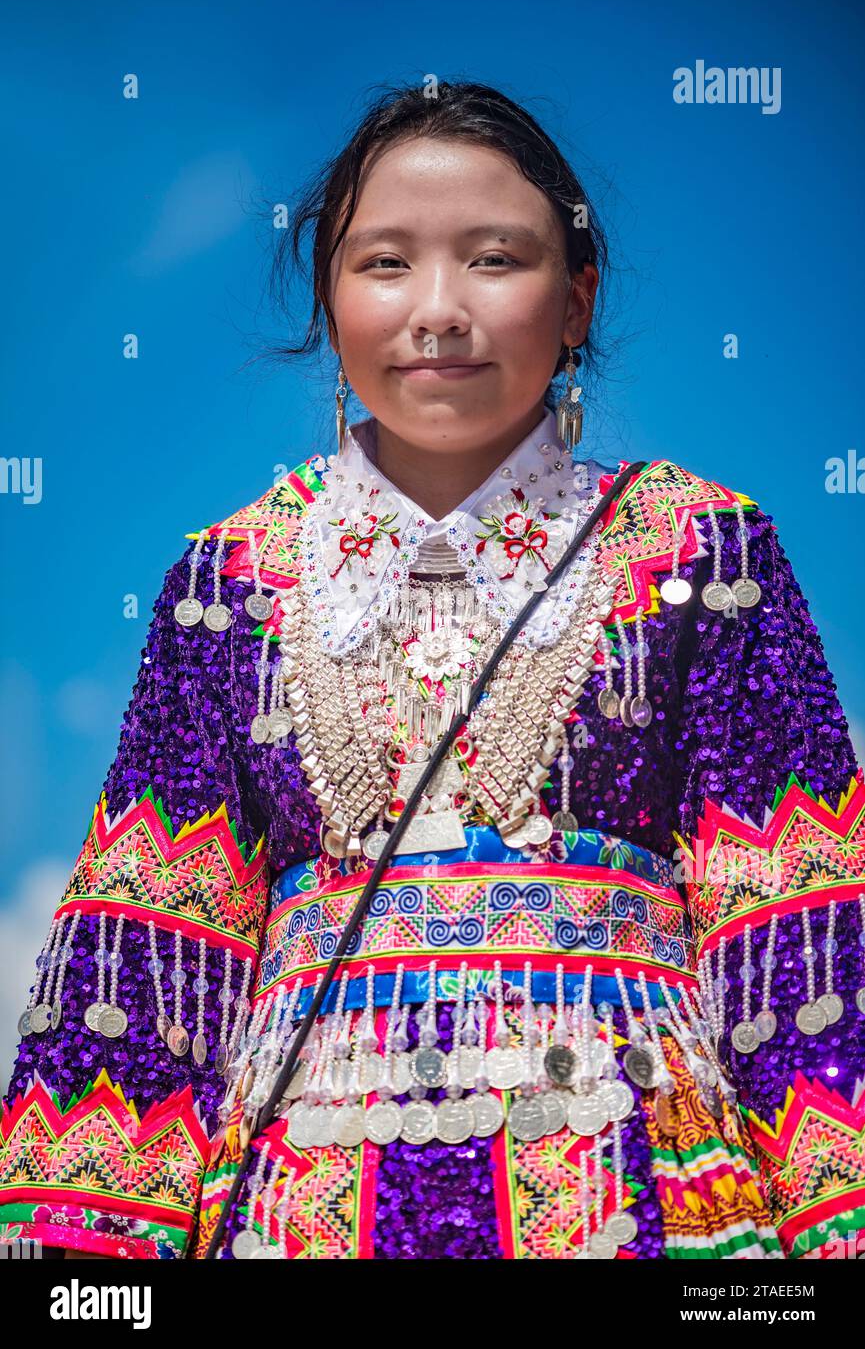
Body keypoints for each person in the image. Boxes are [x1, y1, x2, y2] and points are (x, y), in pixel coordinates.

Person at [1, 81, 863, 1262]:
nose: (439, 311)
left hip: (644, 1195)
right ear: (331, 298)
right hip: (291, 1207)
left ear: (577, 299)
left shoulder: (700, 551)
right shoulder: (227, 580)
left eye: (496, 259)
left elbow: (800, 928)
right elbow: (146, 960)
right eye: (386, 264)